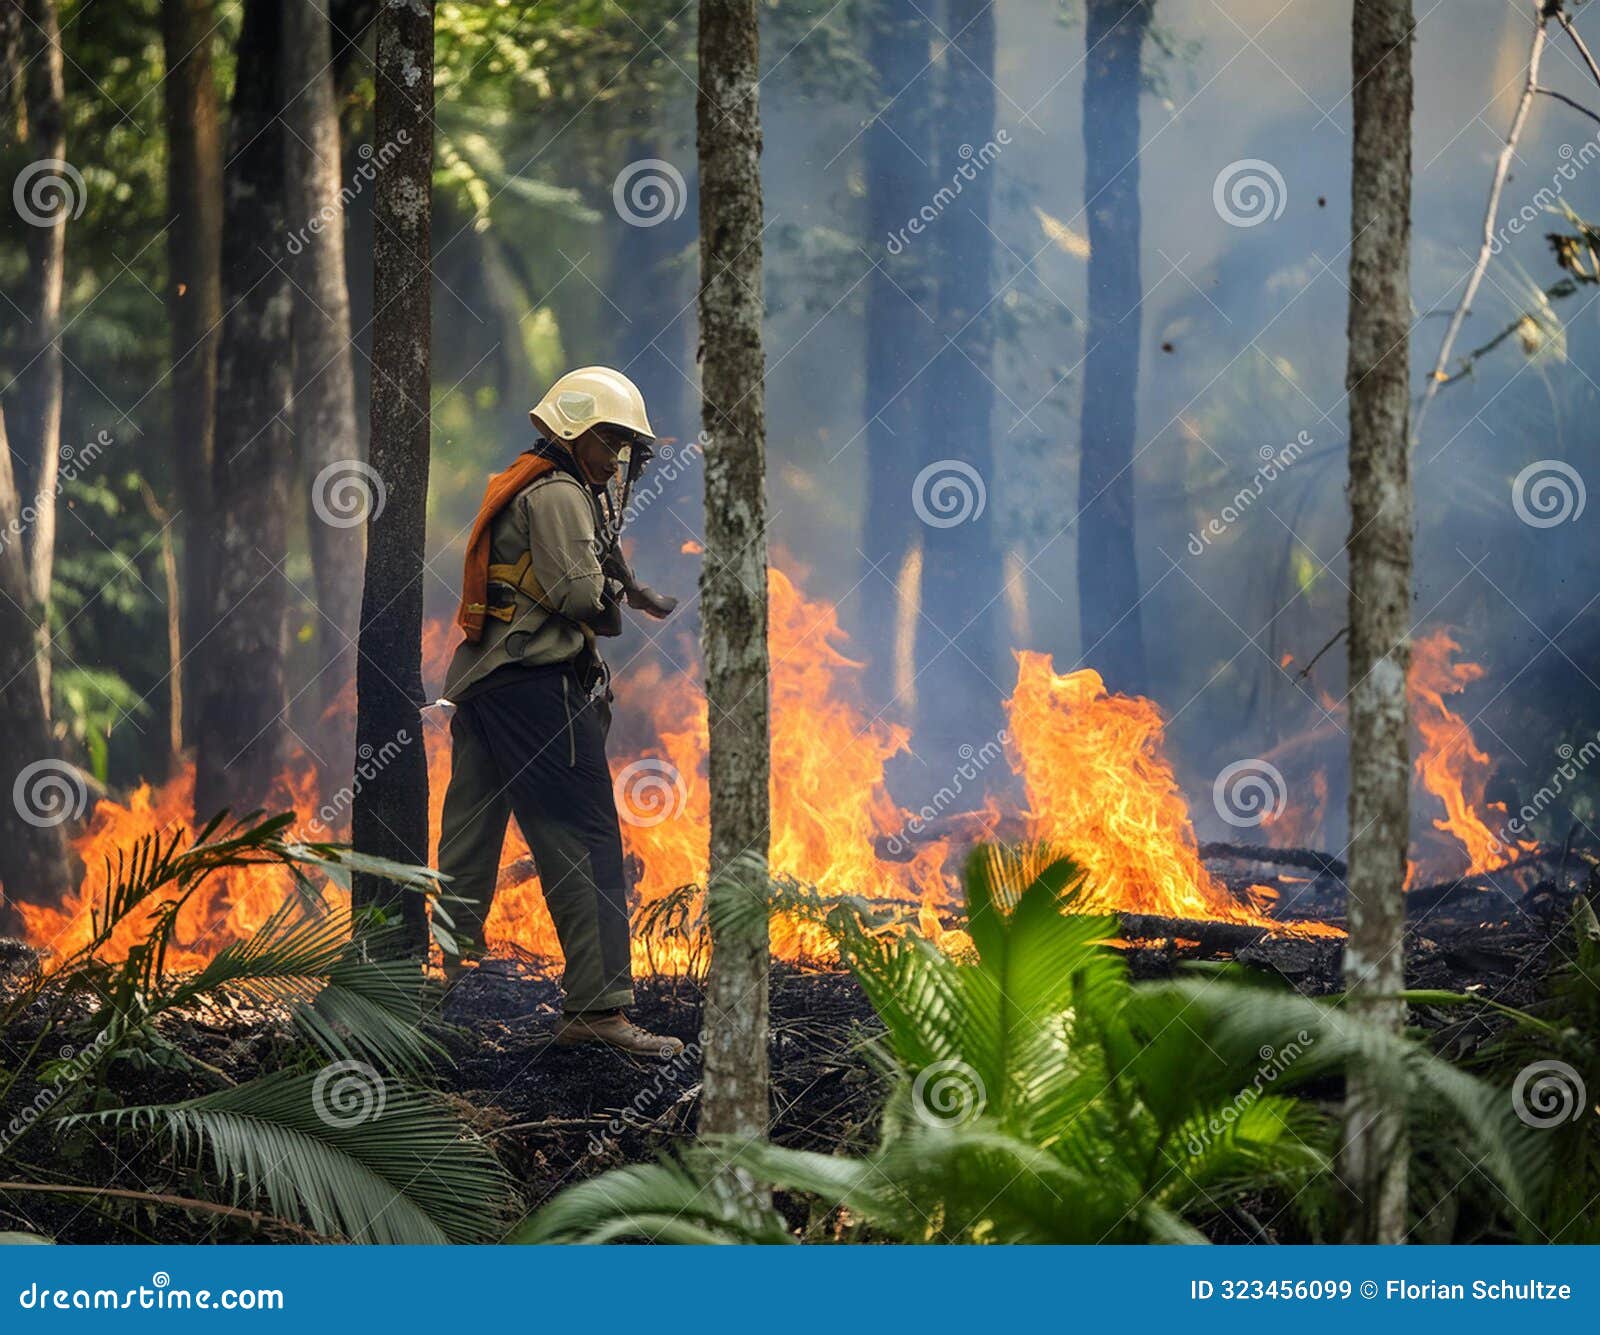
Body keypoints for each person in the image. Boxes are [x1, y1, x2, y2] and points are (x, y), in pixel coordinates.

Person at [438, 366, 683, 1059]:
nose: (617, 457)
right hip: (538, 689)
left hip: (486, 681)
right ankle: (598, 1006)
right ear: (578, 431)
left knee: (468, 839)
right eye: (611, 440)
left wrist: (628, 590)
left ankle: (434, 980)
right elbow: (580, 597)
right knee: (586, 839)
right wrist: (613, 602)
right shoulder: (561, 494)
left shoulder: (536, 482)